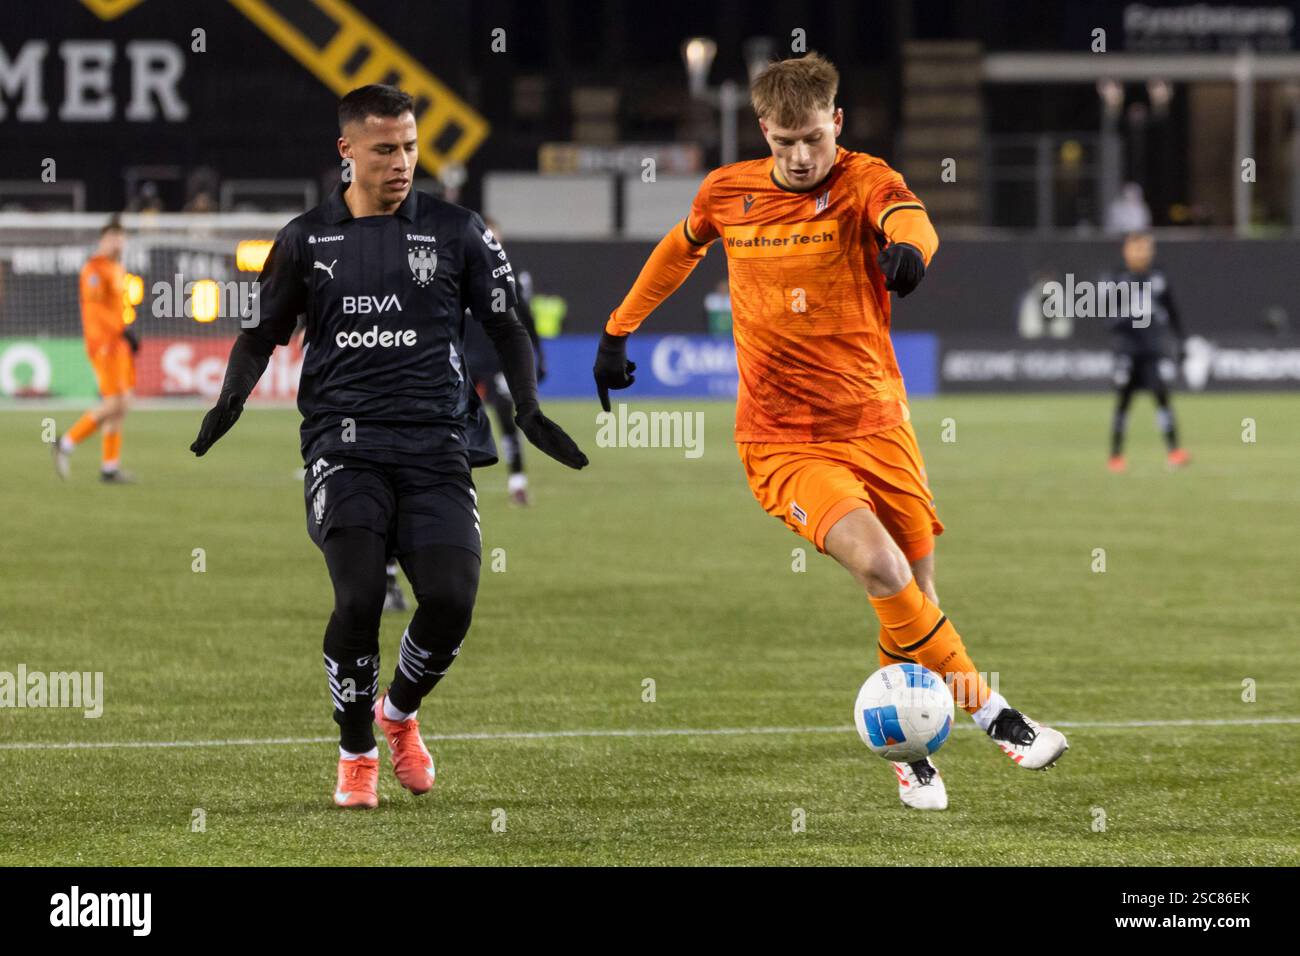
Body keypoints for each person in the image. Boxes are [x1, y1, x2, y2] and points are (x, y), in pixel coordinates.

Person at [593, 53, 1068, 811]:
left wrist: (911, 249)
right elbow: (678, 250)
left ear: (836, 124)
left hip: (878, 423)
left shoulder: (862, 179)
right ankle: (996, 714)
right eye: (784, 142)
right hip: (782, 438)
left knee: (915, 592)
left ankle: (906, 750)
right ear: (763, 131)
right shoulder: (728, 192)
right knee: (882, 569)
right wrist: (618, 332)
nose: (800, 156)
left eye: (813, 137)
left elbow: (908, 216)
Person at [191, 84, 587, 809]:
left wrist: (527, 408)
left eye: (409, 147)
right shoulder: (305, 238)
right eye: (384, 150)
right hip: (343, 445)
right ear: (346, 151)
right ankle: (355, 750)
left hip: (438, 441)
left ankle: (397, 713)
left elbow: (507, 327)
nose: (402, 162)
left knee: (451, 598)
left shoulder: (459, 231)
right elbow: (259, 334)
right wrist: (230, 400)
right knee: (361, 595)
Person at [460, 218, 546, 506]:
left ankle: (518, 484)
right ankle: (453, 485)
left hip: (498, 363)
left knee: (508, 422)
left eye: (494, 239)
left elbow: (527, 319)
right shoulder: (457, 270)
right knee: (453, 425)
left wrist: (539, 356)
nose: (489, 244)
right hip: (463, 363)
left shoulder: (507, 276)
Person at [53, 217, 139, 483]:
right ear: (103, 239)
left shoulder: (118, 268)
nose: (118, 242)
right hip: (103, 344)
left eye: (122, 236)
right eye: (114, 237)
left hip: (119, 343)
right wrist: (119, 330)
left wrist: (127, 330)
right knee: (113, 402)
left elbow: (116, 307)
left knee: (123, 404)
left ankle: (109, 468)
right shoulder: (93, 269)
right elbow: (95, 311)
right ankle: (65, 442)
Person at [1107, 232, 1190, 471]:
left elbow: (1172, 311)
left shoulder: (1158, 277)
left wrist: (1181, 341)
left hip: (1153, 350)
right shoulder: (1117, 279)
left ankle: (1174, 451)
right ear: (1126, 251)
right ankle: (1115, 455)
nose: (1142, 253)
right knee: (1123, 402)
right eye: (1137, 248)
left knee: (1162, 398)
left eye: (1146, 248)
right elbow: (1108, 317)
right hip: (1128, 351)